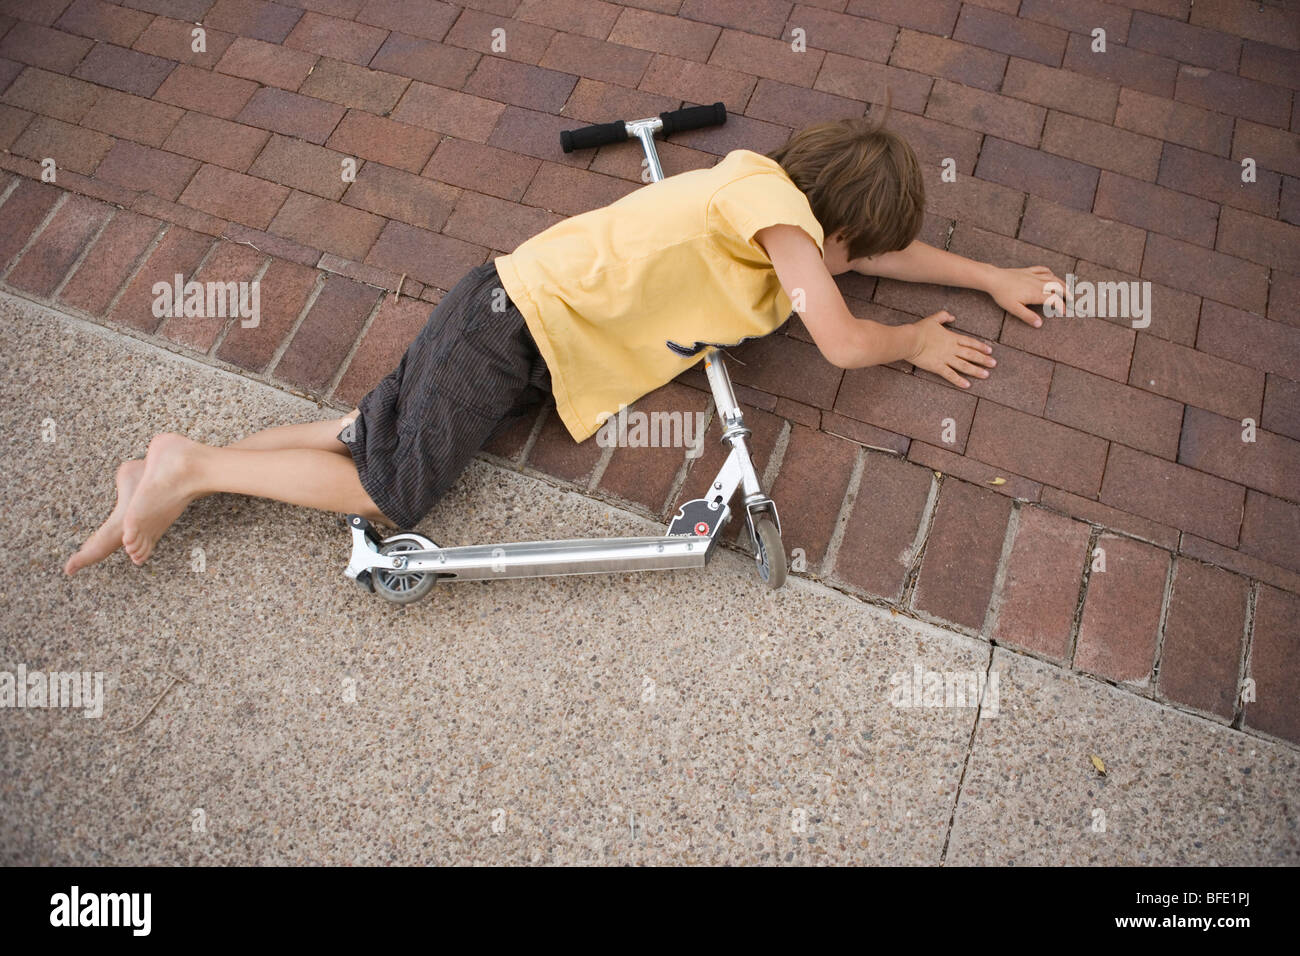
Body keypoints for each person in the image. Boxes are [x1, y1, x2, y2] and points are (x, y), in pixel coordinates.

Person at [64, 114, 1063, 575]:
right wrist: (908, 345)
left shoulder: (772, 202)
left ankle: (170, 468)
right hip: (514, 328)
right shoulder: (771, 208)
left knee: (366, 431)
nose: (841, 262)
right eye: (846, 247)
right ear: (828, 222)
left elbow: (876, 252)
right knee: (391, 487)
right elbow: (841, 341)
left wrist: (985, 278)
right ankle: (190, 465)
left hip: (508, 317)